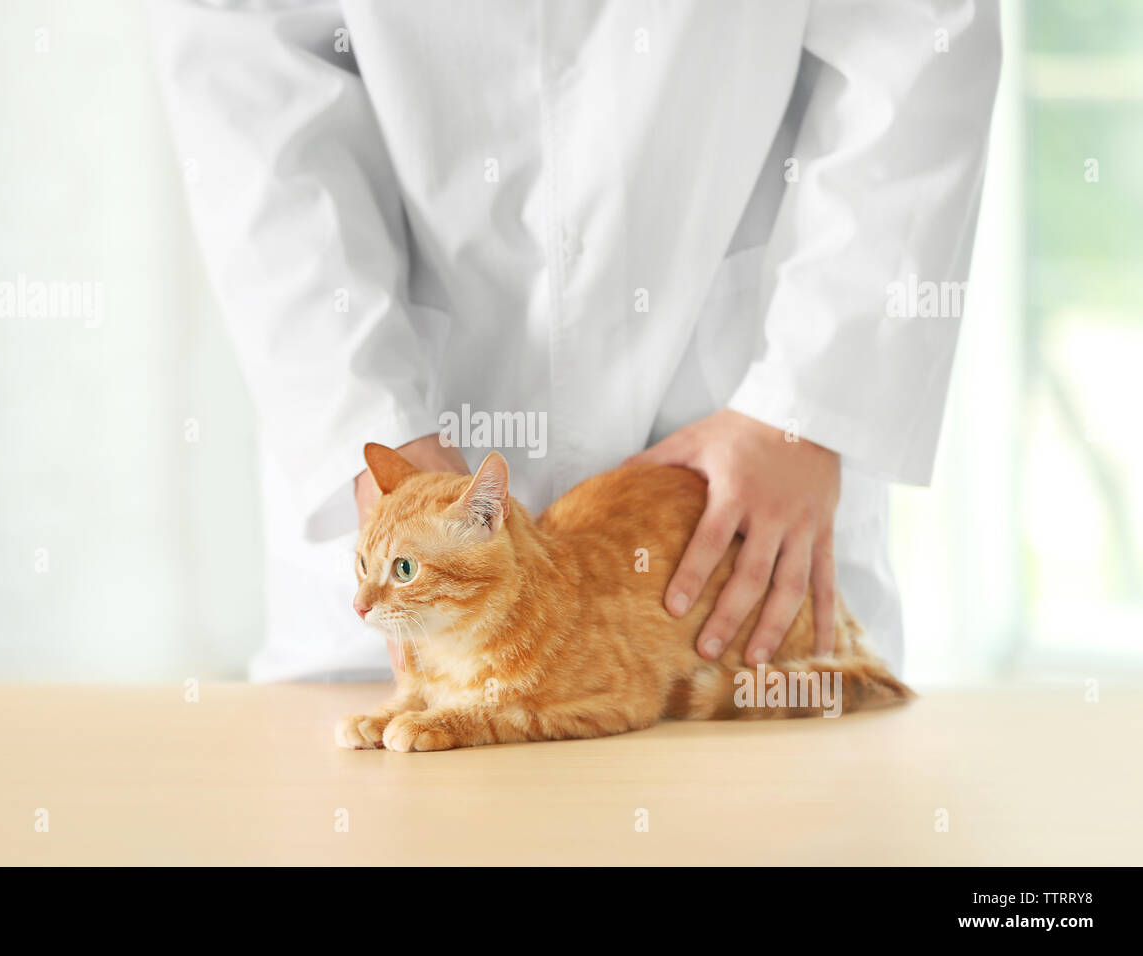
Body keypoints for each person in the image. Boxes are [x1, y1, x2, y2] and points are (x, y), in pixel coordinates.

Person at [148, 0, 1001, 681]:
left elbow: (920, 32)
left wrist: (810, 402)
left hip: (743, 500)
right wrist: (364, 420)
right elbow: (245, 77)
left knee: (782, 819)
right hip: (394, 476)